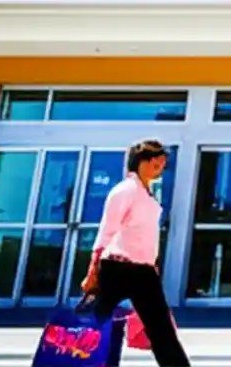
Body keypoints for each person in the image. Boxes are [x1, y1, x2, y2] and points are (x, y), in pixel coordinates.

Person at [80, 139, 190, 367]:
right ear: (141, 162)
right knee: (97, 325)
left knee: (162, 330)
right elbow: (106, 231)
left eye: (163, 161)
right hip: (117, 268)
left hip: (143, 272)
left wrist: (153, 263)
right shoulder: (124, 191)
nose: (161, 165)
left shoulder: (147, 193)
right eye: (156, 160)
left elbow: (144, 234)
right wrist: (93, 269)